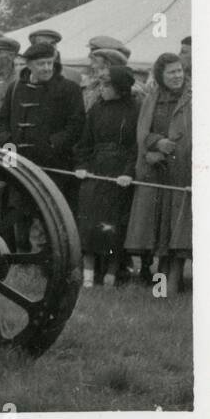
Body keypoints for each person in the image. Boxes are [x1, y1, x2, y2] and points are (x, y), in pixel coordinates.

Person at [0, 42, 86, 251]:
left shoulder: (68, 89)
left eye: (50, 63)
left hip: (53, 163)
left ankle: (46, 257)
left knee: (48, 213)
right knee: (19, 209)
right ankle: (22, 255)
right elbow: (2, 121)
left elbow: (76, 124)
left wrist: (52, 144)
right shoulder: (15, 88)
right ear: (29, 65)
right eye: (41, 63)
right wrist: (9, 144)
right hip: (20, 162)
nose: (46, 68)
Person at [125, 52, 192, 293]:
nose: (177, 76)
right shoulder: (153, 99)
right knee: (161, 234)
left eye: (179, 71)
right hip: (159, 174)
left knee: (179, 233)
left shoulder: (193, 98)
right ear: (161, 76)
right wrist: (156, 144)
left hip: (184, 174)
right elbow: (143, 131)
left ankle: (171, 285)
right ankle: (161, 286)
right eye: (171, 72)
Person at [73, 66, 139, 287]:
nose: (101, 89)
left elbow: (135, 147)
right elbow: (84, 142)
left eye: (106, 85)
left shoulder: (135, 109)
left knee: (114, 226)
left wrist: (128, 173)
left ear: (120, 88)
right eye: (100, 84)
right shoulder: (96, 110)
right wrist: (82, 165)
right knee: (90, 224)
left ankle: (111, 275)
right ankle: (88, 276)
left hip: (120, 174)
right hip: (96, 170)